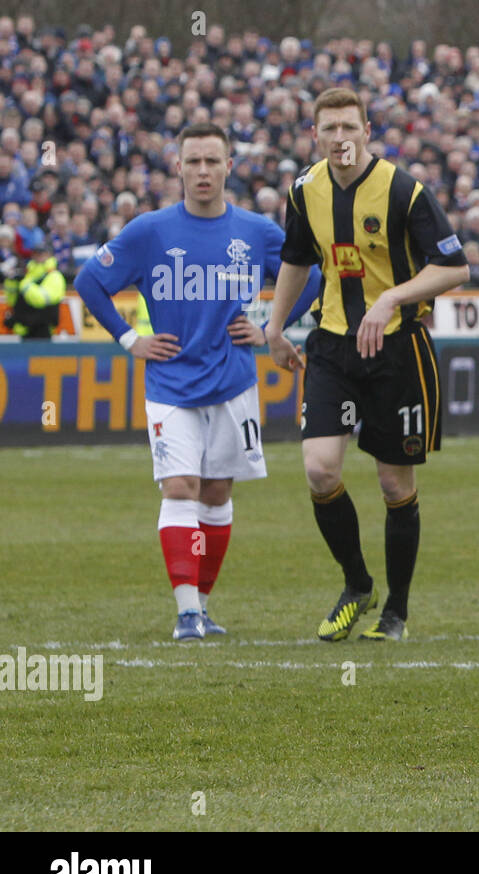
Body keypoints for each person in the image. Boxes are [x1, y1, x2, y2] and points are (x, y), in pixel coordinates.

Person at [74, 122, 320, 640]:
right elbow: (90, 281)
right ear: (178, 167)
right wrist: (128, 339)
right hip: (169, 382)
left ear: (230, 166)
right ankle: (186, 612)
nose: (203, 171)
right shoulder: (150, 230)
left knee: (215, 492)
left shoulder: (256, 230)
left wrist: (272, 327)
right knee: (180, 485)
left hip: (233, 380)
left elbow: (311, 273)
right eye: (193, 162)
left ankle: (203, 606)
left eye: (213, 161)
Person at [264, 87, 470, 643]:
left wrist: (392, 297)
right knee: (319, 469)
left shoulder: (404, 190)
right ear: (315, 135)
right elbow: (295, 258)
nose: (339, 138)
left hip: (398, 350)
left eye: (348, 128)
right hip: (332, 347)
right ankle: (357, 583)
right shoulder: (304, 190)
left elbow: (453, 267)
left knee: (393, 484)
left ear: (367, 131)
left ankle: (396, 611)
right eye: (328, 129)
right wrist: (275, 326)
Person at [4, 242, 64, 338]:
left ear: (49, 255)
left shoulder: (54, 275)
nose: (37, 256)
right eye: (35, 253)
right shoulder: (29, 273)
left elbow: (40, 300)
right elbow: (12, 301)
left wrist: (24, 284)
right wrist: (11, 282)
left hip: (42, 330)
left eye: (41, 253)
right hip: (23, 328)